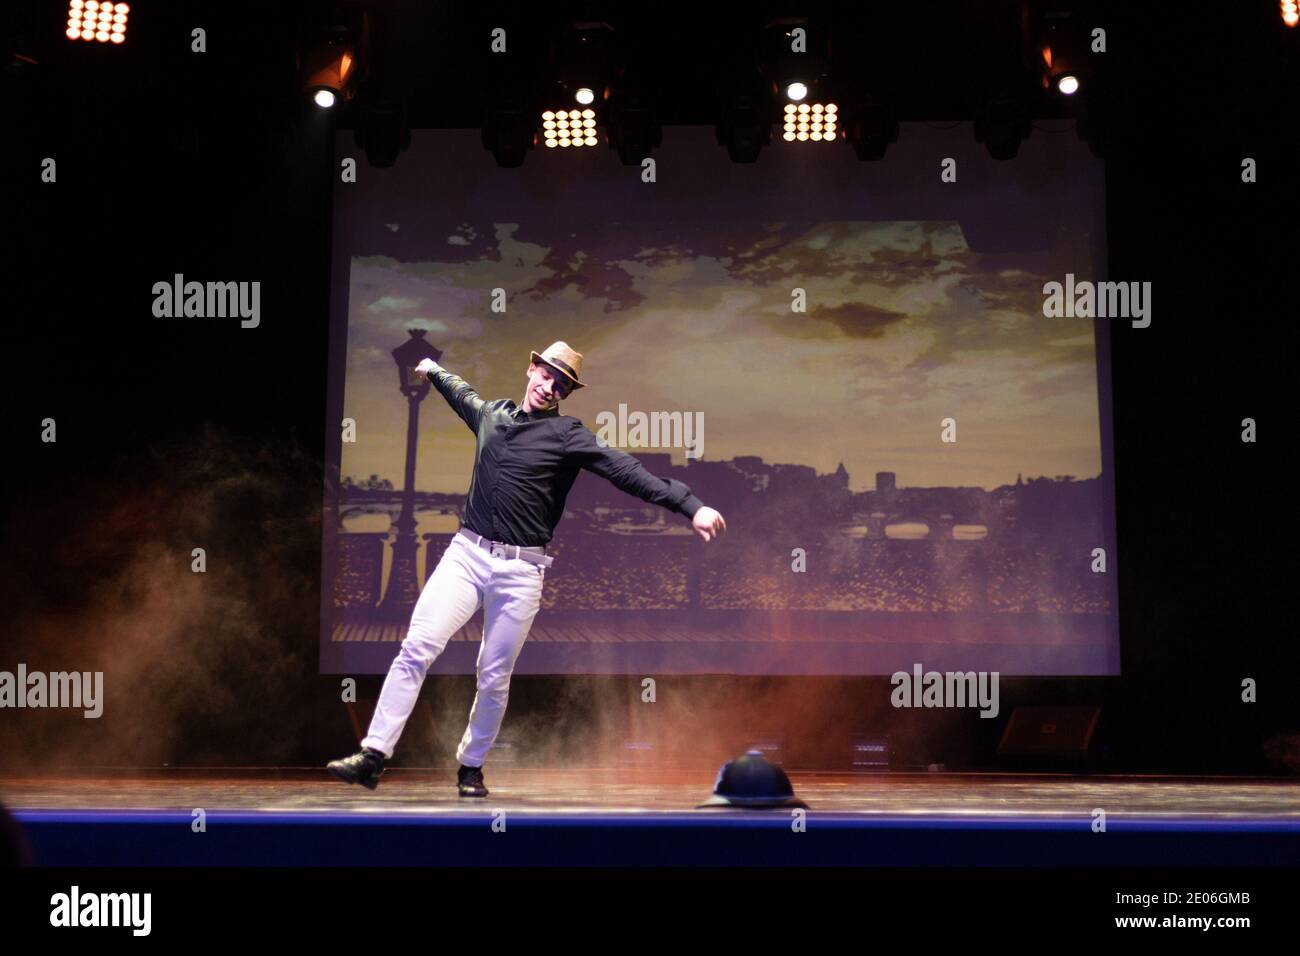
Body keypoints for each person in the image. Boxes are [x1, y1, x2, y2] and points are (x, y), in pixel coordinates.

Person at [328, 341, 727, 796]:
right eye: (546, 375)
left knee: (494, 675)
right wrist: (432, 369)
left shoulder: (567, 435)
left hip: (521, 571)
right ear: (531, 369)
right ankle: (374, 755)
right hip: (466, 555)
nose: (549, 387)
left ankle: (471, 767)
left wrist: (689, 505)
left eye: (560, 384)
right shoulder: (491, 416)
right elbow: (461, 391)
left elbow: (625, 469)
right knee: (416, 646)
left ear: (565, 393)